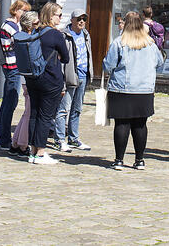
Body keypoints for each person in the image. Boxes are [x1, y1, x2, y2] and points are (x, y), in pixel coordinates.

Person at [101, 10, 162, 170]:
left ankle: (119, 160)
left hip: (122, 89)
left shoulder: (119, 42)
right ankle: (139, 160)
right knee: (140, 125)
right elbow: (160, 62)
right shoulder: (150, 43)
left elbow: (108, 66)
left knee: (121, 124)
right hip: (144, 90)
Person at [26, 1, 69, 165]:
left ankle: (32, 152)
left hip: (33, 78)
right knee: (45, 116)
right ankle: (41, 153)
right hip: (50, 79)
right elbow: (66, 57)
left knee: (34, 114)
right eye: (59, 15)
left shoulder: (36, 32)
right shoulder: (56, 35)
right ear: (51, 16)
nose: (60, 18)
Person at [55, 9, 94, 152]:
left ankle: (73, 138)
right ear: (72, 20)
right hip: (70, 77)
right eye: (79, 19)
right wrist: (62, 80)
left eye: (84, 19)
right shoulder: (64, 36)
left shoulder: (85, 35)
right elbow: (60, 60)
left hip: (83, 76)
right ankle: (59, 139)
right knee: (63, 109)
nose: (82, 21)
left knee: (77, 109)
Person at [0, 0, 31, 153]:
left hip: (14, 66)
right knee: (9, 102)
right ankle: (4, 138)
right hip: (12, 67)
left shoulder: (14, 25)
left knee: (9, 101)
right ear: (16, 10)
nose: (25, 13)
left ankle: (4, 137)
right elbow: (17, 43)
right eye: (23, 10)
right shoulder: (10, 26)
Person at [10, 10, 40, 157]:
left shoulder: (19, 37)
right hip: (29, 78)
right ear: (30, 25)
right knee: (29, 112)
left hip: (24, 77)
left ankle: (15, 142)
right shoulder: (29, 39)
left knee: (26, 112)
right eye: (36, 23)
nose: (39, 25)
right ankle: (22, 145)